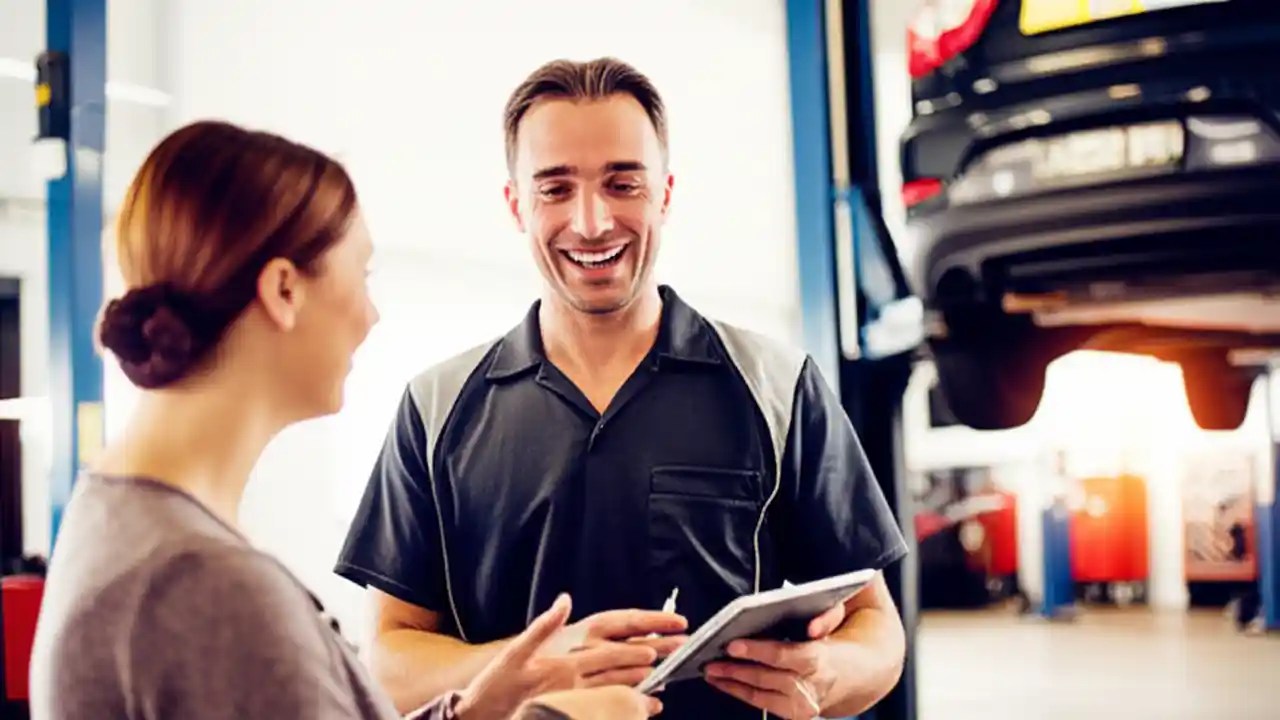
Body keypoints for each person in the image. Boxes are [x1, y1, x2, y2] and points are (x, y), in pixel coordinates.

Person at [335, 57, 911, 719]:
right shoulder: (434, 408)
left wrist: (827, 670)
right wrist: (536, 672)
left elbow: (879, 633)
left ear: (664, 192)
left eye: (622, 184)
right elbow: (386, 658)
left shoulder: (779, 389)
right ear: (515, 204)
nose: (591, 222)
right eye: (555, 189)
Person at [27, 120, 661, 720]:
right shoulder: (203, 586)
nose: (370, 315)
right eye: (360, 276)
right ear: (284, 292)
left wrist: (471, 712)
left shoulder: (123, 518)